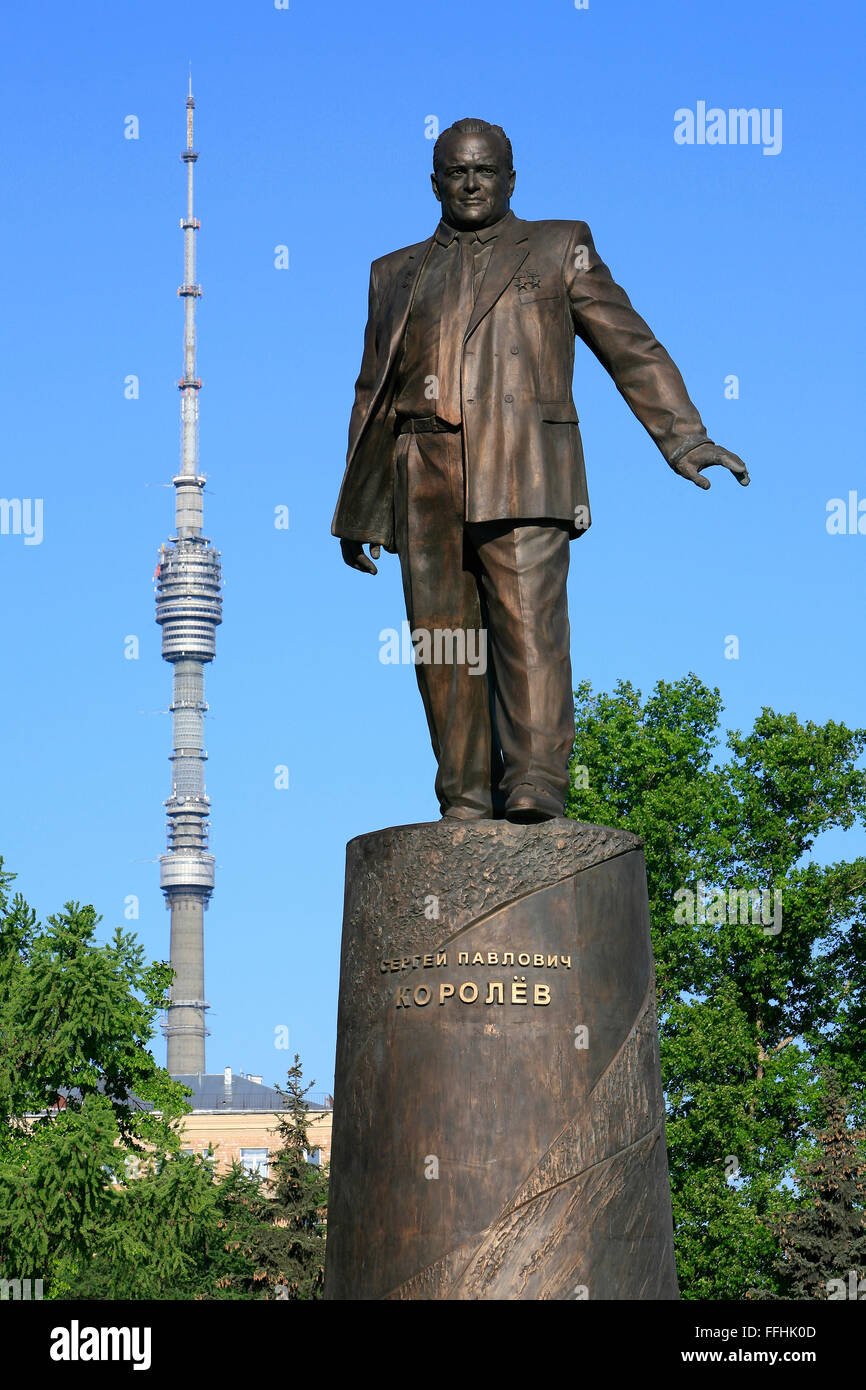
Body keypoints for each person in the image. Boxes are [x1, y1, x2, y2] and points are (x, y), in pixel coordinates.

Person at [332, 118, 749, 823]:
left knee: (529, 629)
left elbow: (631, 344)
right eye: (456, 172)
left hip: (523, 465)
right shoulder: (393, 272)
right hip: (423, 471)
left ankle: (535, 781)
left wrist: (684, 436)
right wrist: (362, 504)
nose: (470, 184)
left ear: (511, 180)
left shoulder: (560, 247)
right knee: (443, 643)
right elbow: (371, 391)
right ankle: (463, 794)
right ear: (433, 181)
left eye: (484, 171)